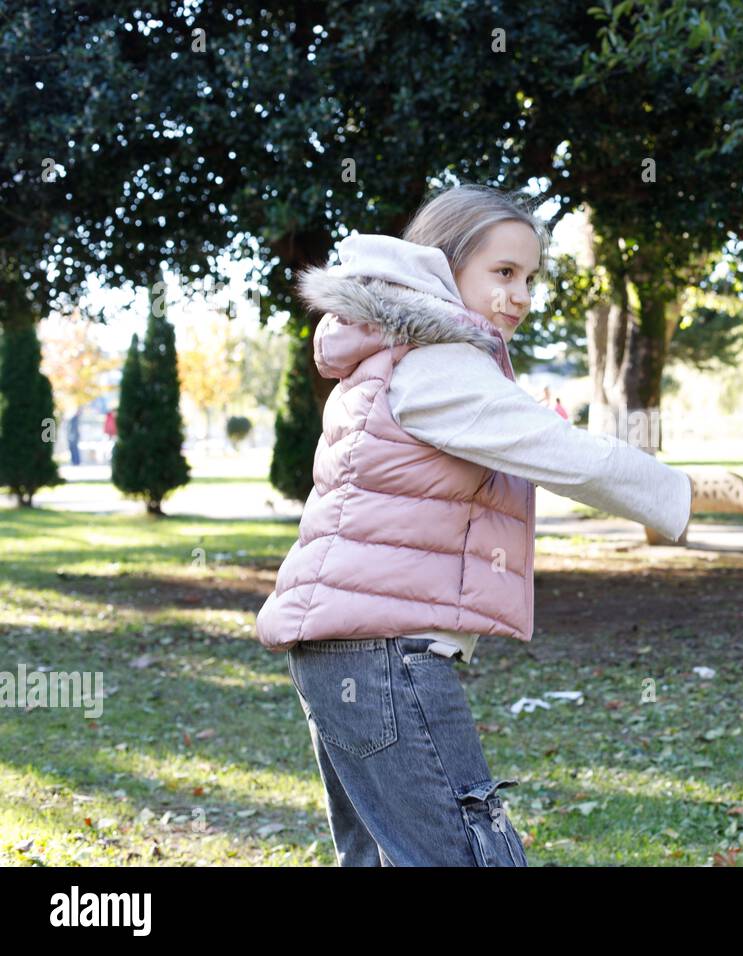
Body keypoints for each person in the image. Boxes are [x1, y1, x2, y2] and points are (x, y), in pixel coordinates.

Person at [255, 184, 693, 866]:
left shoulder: (395, 355)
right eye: (504, 273)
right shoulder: (438, 366)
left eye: (530, 278)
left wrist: (523, 418)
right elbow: (579, 462)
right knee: (468, 855)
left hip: (341, 652)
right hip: (384, 657)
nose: (520, 296)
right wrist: (686, 496)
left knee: (378, 856)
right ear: (441, 266)